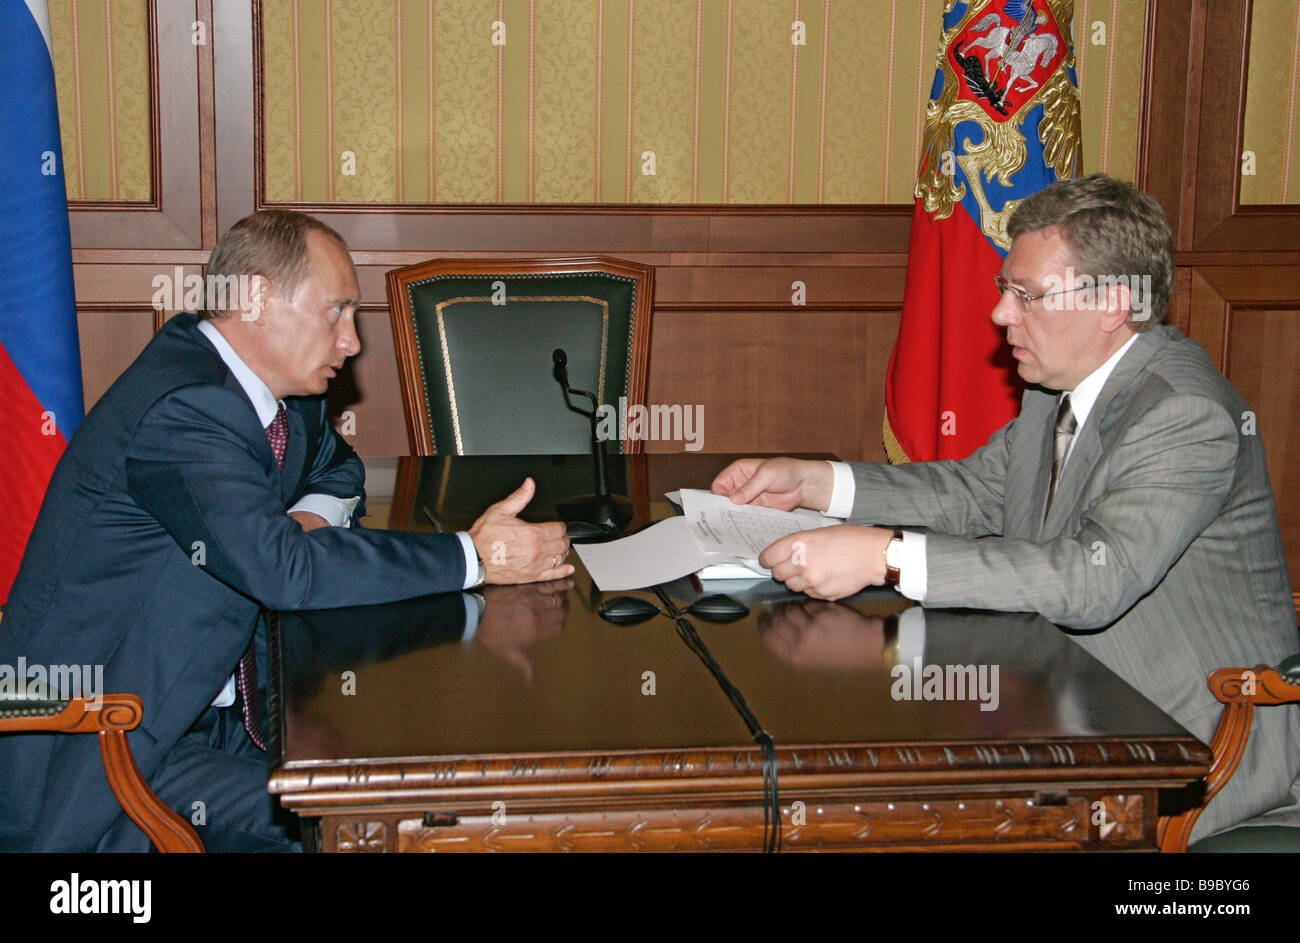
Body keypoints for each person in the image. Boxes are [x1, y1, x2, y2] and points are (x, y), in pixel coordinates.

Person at [712, 174, 1300, 843]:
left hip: (1191, 746)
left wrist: (886, 555)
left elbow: (1092, 580)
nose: (1000, 316)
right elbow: (973, 492)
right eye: (1004, 290)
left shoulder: (1184, 413)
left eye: (1027, 296)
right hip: (1068, 711)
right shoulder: (1059, 387)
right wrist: (815, 483)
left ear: (1111, 304)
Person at [0, 210, 573, 851]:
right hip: (114, 745)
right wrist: (472, 555)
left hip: (215, 714)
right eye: (337, 311)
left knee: (398, 794)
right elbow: (286, 574)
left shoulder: (276, 397)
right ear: (255, 297)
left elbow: (338, 469)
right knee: (372, 823)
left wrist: (304, 520)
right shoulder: (184, 407)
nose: (352, 343)